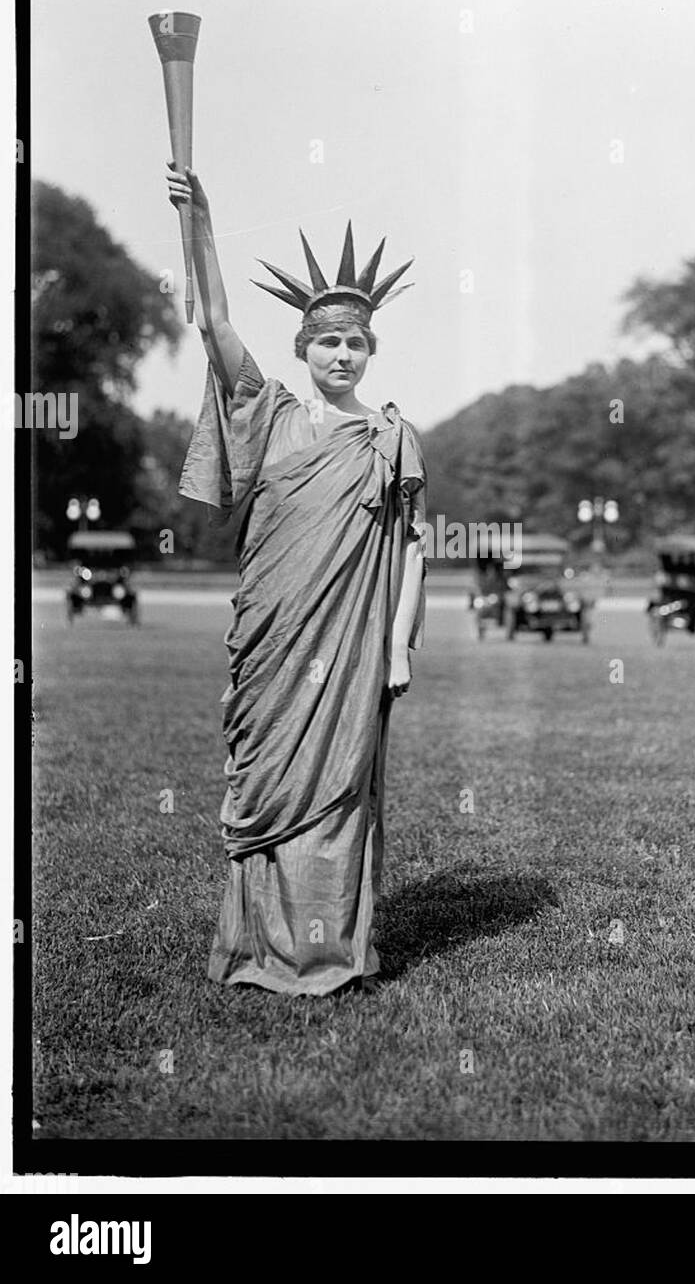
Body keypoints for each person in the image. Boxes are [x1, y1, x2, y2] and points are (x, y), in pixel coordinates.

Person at [167, 161, 427, 997]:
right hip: (274, 636)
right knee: (267, 773)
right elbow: (211, 324)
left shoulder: (389, 438)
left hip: (350, 649)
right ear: (301, 349)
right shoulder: (270, 410)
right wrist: (200, 222)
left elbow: (412, 548)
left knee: (337, 786)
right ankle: (255, 951)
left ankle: (326, 955)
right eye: (328, 341)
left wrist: (397, 649)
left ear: (369, 350)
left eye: (355, 342)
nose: (342, 354)